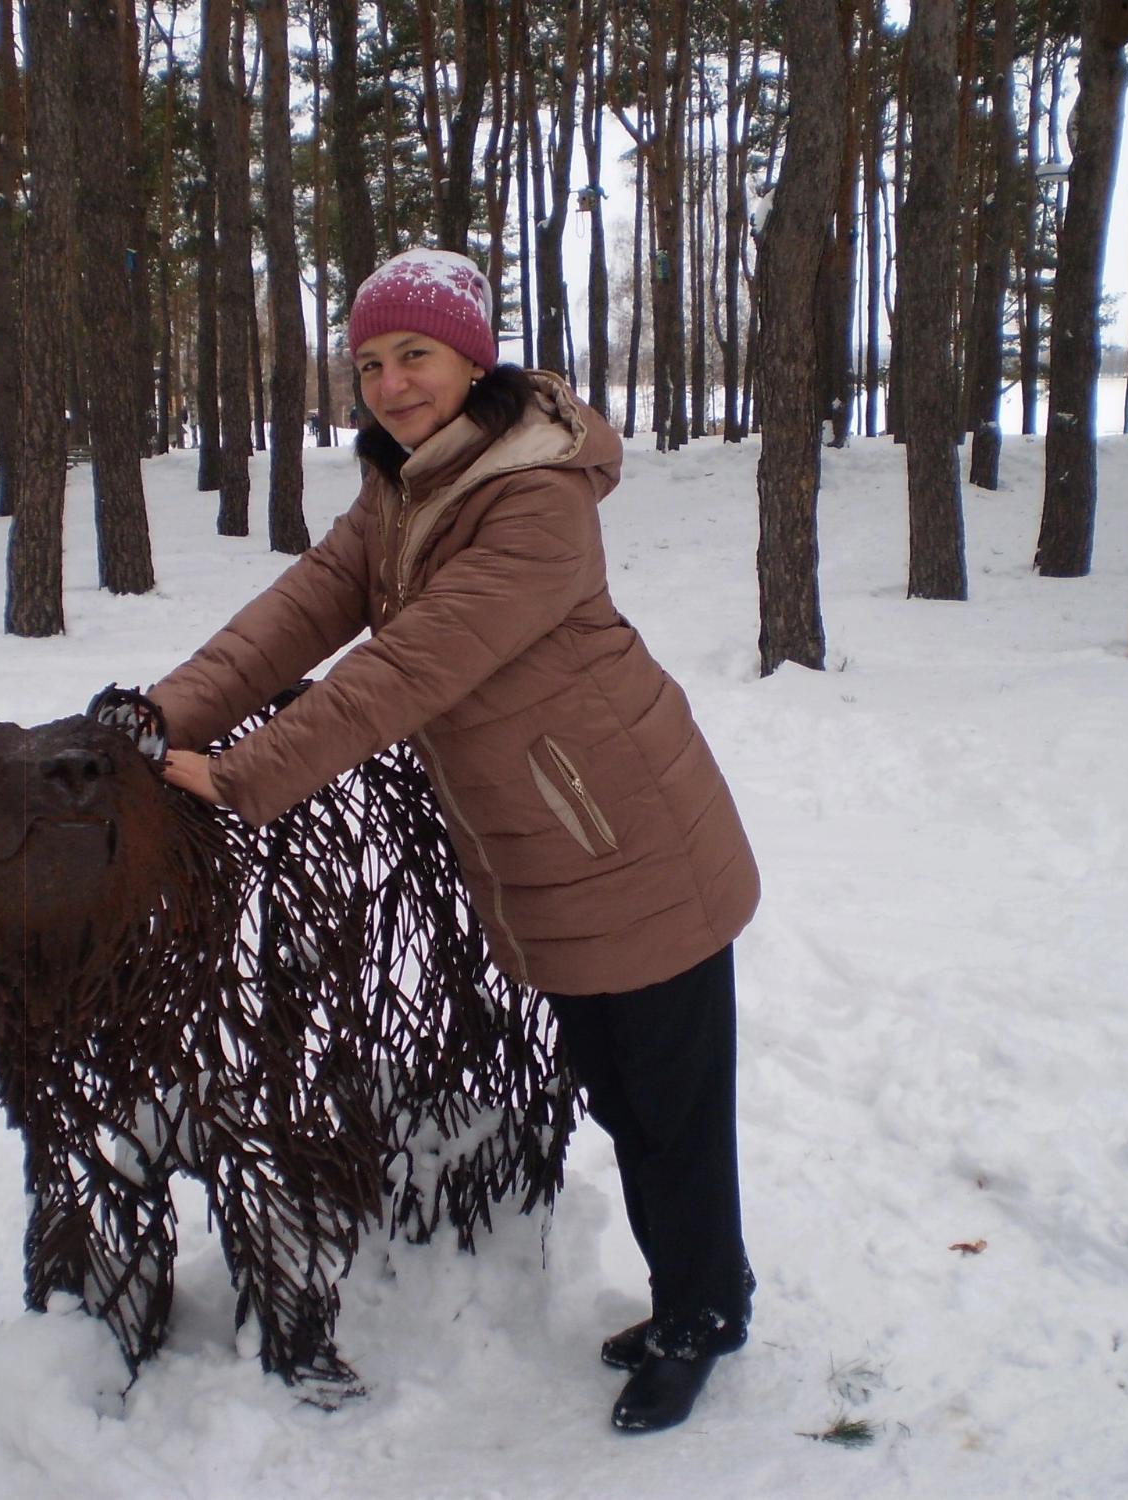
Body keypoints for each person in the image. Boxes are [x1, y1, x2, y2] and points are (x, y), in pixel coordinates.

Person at [149, 247, 760, 1433]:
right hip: (552, 853)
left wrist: (237, 779)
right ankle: (703, 1285)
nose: (389, 383)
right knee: (626, 1102)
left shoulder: (532, 498)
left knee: (670, 1111)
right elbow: (302, 611)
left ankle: (701, 1310)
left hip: (633, 842)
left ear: (471, 358)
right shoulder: (405, 487)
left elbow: (408, 665)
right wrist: (156, 720)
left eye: (413, 355)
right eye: (369, 362)